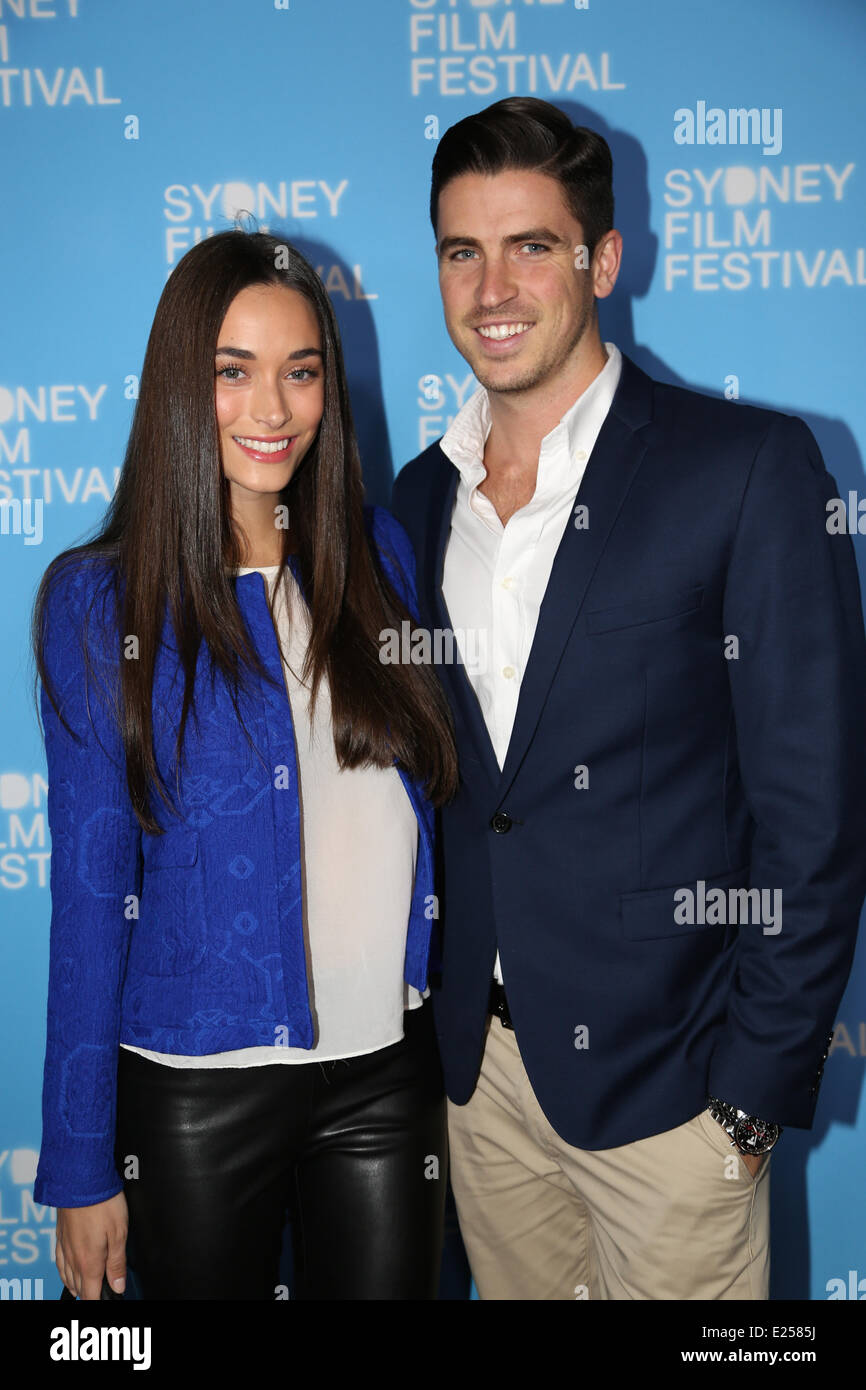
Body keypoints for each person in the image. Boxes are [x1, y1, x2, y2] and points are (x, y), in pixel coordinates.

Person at [390, 96, 866, 1301]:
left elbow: (812, 812)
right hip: (482, 1085)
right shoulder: (410, 503)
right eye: (462, 251)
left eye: (530, 246)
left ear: (602, 258)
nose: (491, 286)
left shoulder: (745, 470)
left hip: (674, 1097)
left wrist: (749, 1101)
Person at [32, 229, 458, 1301]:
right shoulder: (97, 603)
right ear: (182, 383)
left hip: (384, 1077)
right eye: (233, 372)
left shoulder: (378, 555)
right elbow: (89, 894)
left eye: (300, 371)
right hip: (192, 1100)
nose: (271, 409)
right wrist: (80, 1163)